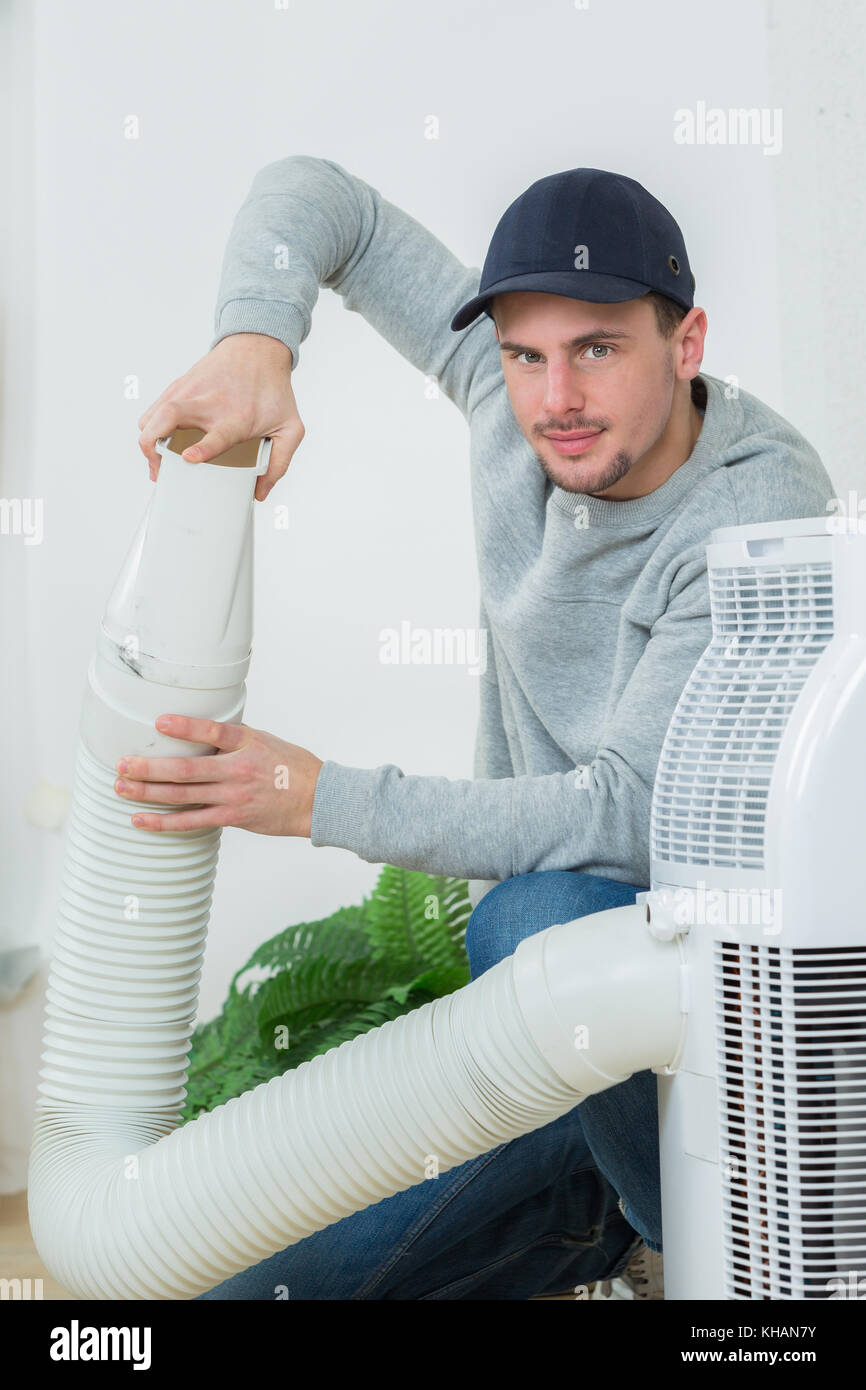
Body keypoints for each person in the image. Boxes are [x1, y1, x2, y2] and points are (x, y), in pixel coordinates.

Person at [126, 159, 835, 1299]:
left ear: (685, 342)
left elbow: (622, 815)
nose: (553, 395)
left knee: (538, 915)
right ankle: (593, 1207)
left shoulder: (752, 503)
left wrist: (318, 798)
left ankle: (676, 1238)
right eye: (523, 353)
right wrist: (255, 342)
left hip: (707, 1024)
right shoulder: (512, 401)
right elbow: (322, 199)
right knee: (244, 1294)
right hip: (557, 1037)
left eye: (597, 347)